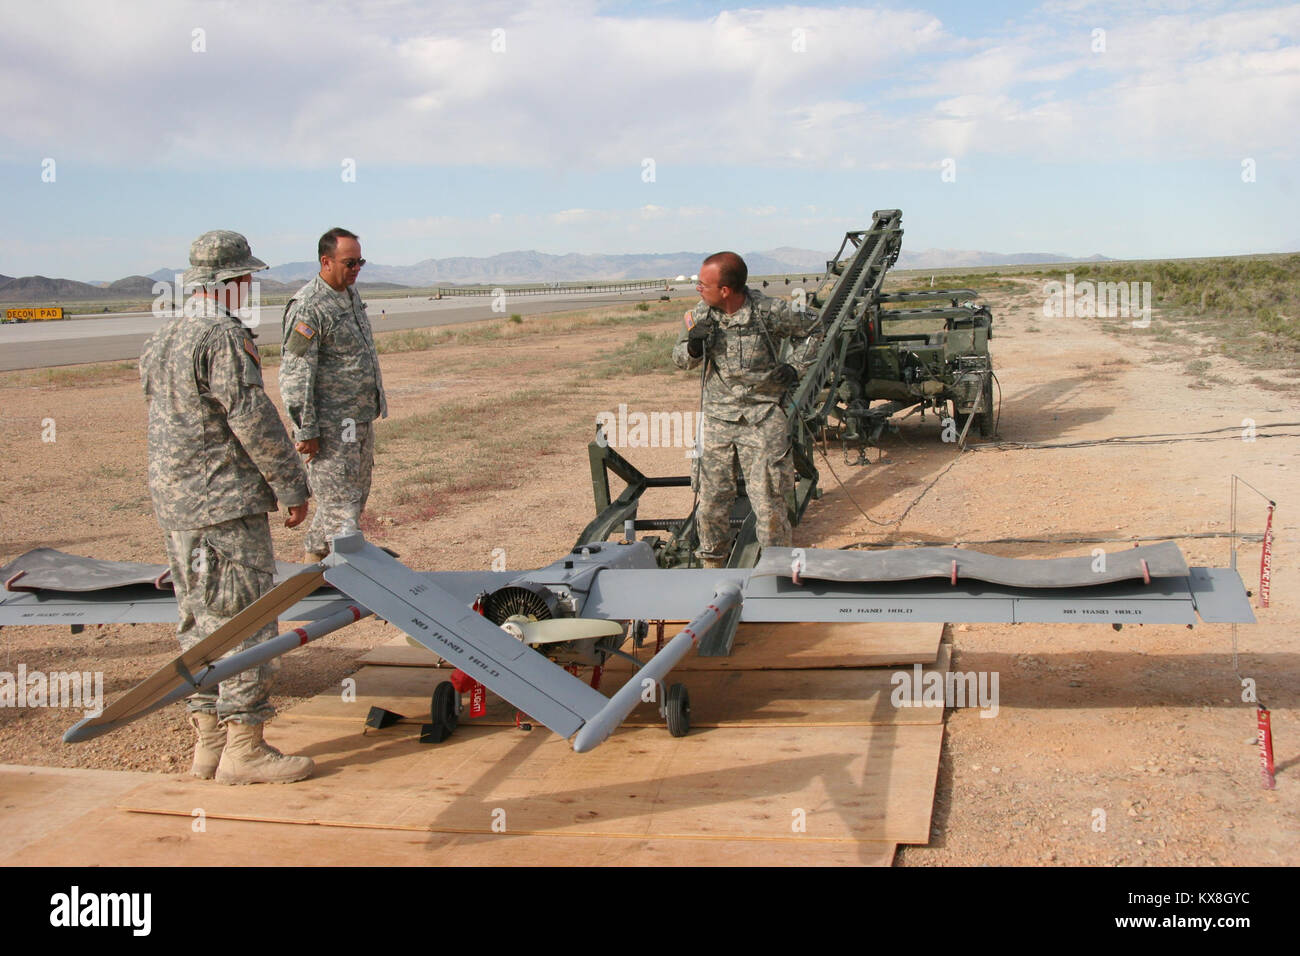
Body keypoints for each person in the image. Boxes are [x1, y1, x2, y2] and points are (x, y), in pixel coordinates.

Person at [140, 229, 315, 785]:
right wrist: (291, 484)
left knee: (197, 617)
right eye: (247, 278)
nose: (250, 287)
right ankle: (245, 749)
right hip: (225, 503)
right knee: (246, 620)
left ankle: (208, 743)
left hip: (177, 503)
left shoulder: (162, 338)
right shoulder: (220, 336)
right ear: (228, 281)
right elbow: (251, 418)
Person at [672, 251, 823, 568]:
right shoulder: (703, 314)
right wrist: (693, 347)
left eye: (703, 284)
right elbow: (680, 359)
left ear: (725, 290)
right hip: (717, 420)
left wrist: (795, 367)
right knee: (711, 501)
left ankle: (777, 571)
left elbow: (815, 328)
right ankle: (712, 570)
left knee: (770, 502)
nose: (698, 289)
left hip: (762, 416)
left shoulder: (771, 311)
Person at [279, 228, 388, 561]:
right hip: (331, 429)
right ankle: (351, 585)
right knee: (343, 513)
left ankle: (312, 573)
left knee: (349, 500)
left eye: (360, 262)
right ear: (325, 261)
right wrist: (306, 431)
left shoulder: (350, 295)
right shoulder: (308, 307)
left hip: (358, 422)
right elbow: (295, 375)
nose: (356, 269)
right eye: (349, 262)